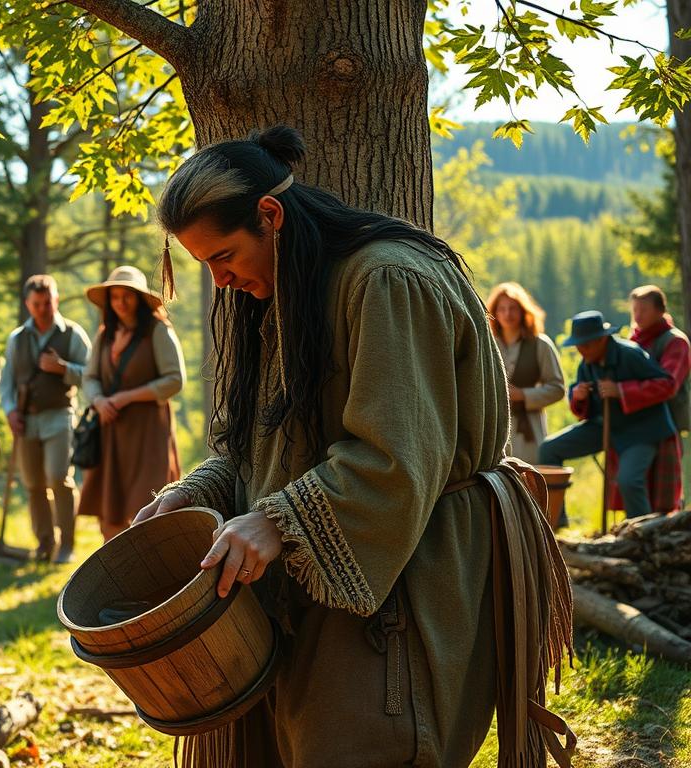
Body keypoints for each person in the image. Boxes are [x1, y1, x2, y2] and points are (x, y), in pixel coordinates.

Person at [133, 127, 572, 767]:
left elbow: (395, 459)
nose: (221, 281)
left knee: (364, 747)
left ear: (271, 215)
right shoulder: (290, 290)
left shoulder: (388, 279)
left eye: (223, 256)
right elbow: (265, 444)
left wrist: (279, 521)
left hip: (405, 573)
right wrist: (188, 496)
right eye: (206, 266)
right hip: (318, 569)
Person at [78, 265, 185, 542]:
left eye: (127, 296)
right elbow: (89, 377)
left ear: (138, 299)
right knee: (109, 508)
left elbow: (175, 379)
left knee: (148, 507)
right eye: (115, 297)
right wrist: (99, 400)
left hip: (148, 434)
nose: (121, 303)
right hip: (110, 432)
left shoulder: (158, 331)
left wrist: (127, 397)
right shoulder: (105, 336)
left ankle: (150, 575)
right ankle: (115, 575)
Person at [538, 310, 676, 523]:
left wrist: (621, 390)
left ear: (602, 339)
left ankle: (642, 535)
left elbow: (666, 385)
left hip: (642, 431)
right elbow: (583, 406)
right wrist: (578, 395)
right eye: (578, 345)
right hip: (605, 427)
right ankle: (556, 520)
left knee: (628, 480)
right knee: (549, 449)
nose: (581, 349)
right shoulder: (587, 363)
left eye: (586, 344)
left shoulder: (630, 354)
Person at [0, 275, 91, 564]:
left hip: (59, 416)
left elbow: (91, 374)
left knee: (58, 477)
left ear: (57, 300)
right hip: (26, 421)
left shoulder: (72, 334)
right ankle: (44, 543)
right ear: (28, 304)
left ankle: (66, 544)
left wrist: (62, 368)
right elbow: (6, 383)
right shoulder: (17, 339)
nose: (43, 308)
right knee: (33, 483)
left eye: (48, 302)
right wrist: (11, 410)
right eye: (37, 303)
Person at [618, 285, 688, 515]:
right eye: (635, 309)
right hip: (635, 424)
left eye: (644, 310)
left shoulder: (675, 342)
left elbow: (668, 385)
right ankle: (634, 535)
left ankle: (658, 537)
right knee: (634, 482)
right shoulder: (632, 341)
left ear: (660, 311)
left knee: (662, 491)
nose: (637, 316)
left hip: (665, 425)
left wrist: (621, 390)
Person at [485, 282, 565, 465]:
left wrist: (523, 395)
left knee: (529, 483)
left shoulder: (540, 344)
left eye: (513, 308)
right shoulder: (487, 345)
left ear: (523, 311)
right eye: (502, 309)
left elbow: (557, 388)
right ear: (494, 313)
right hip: (493, 429)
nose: (507, 314)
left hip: (528, 430)